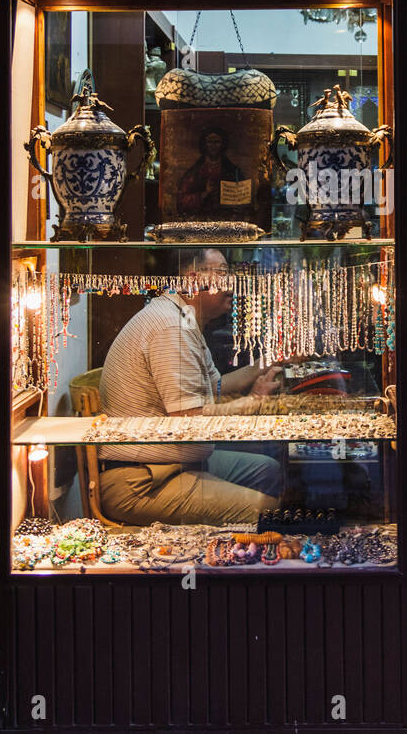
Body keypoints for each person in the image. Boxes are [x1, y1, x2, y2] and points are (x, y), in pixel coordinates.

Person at [98, 248, 283, 526]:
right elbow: (190, 421)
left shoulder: (182, 317)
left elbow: (215, 387)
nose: (232, 282)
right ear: (194, 279)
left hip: (175, 463)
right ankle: (235, 559)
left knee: (267, 469)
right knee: (269, 512)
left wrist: (274, 359)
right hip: (143, 480)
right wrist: (255, 402)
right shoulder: (170, 327)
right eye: (222, 272)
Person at [177, 127, 245, 219]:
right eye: (210, 142)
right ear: (204, 144)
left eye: (217, 142)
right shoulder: (195, 172)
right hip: (200, 219)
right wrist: (204, 194)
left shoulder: (232, 170)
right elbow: (182, 201)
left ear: (222, 144)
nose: (213, 146)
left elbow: (242, 199)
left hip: (226, 220)